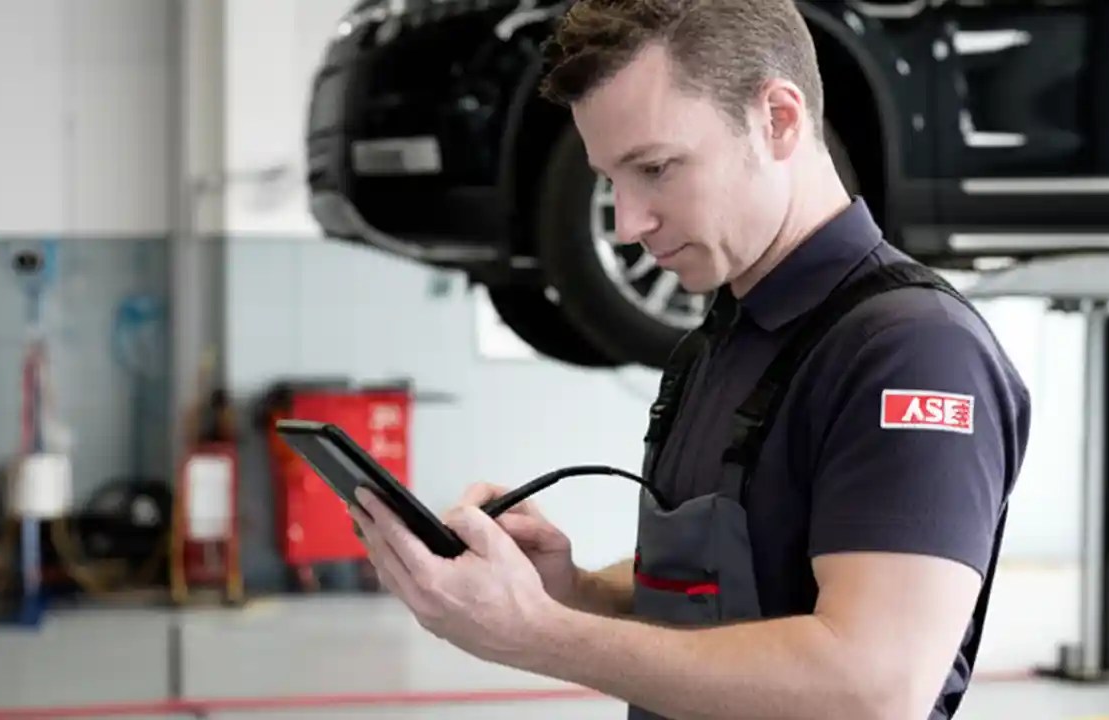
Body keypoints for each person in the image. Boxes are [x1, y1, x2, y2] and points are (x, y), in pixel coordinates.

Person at [349, 1, 1032, 718]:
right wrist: (573, 590)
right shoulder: (720, 344)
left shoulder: (912, 353)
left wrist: (539, 634)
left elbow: (871, 687)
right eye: (613, 178)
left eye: (654, 168)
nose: (625, 222)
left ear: (778, 120)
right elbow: (725, 596)